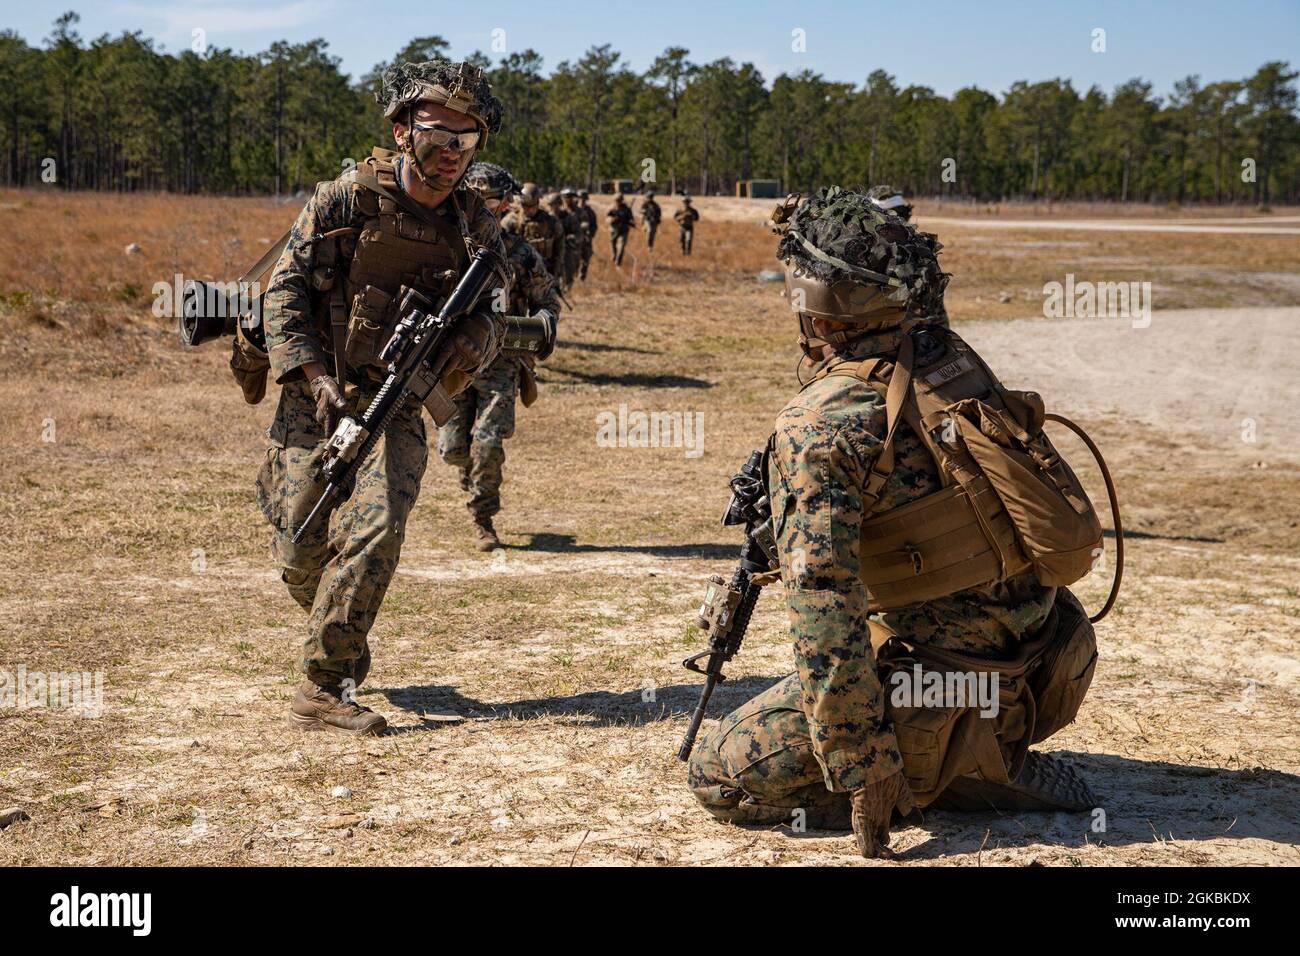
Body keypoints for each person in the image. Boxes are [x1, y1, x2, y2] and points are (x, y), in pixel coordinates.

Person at [687, 186, 1100, 857]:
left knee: (719, 776)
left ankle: (947, 770)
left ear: (816, 311)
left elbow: (824, 607)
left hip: (941, 690)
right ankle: (980, 744)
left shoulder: (820, 424)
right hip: (1044, 668)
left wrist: (862, 765)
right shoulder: (951, 361)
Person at [256, 59, 509, 735]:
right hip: (321, 392)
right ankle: (336, 635)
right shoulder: (344, 200)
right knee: (301, 549)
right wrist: (312, 376)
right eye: (438, 135)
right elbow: (283, 293)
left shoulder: (476, 224)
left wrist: (476, 339)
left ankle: (323, 683)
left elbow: (503, 306)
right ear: (402, 131)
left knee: (377, 528)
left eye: (467, 139)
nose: (452, 152)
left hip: (398, 402)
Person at [436, 162, 563, 551]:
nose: (484, 207)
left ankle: (482, 517)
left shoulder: (520, 254)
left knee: (488, 443)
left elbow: (547, 303)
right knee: (453, 449)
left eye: (491, 199)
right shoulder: (447, 246)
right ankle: (469, 473)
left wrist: (540, 328)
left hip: (502, 362)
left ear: (506, 202)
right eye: (474, 198)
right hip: (454, 361)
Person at [504, 182, 565, 282]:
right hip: (518, 275)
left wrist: (555, 272)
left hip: (544, 274)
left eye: (532, 206)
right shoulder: (511, 221)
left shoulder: (551, 222)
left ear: (537, 202)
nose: (529, 210)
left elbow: (559, 249)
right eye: (525, 206)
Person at [606, 193, 634, 266]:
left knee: (621, 246)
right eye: (617, 200)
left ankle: (618, 262)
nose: (618, 202)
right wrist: (613, 219)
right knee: (612, 244)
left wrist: (630, 222)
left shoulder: (627, 209)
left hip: (623, 230)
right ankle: (614, 256)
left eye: (619, 200)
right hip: (613, 230)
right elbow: (607, 219)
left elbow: (631, 218)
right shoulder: (611, 208)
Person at [575, 189, 597, 280]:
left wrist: (590, 235)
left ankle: (582, 275)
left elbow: (594, 226)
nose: (582, 200)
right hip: (575, 239)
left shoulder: (590, 212)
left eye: (583, 199)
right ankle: (573, 275)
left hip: (586, 238)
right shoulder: (572, 210)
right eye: (580, 198)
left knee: (586, 257)